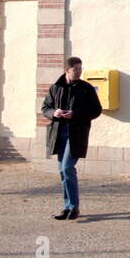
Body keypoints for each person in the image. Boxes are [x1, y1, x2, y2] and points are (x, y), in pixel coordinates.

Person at [41, 57, 102, 220]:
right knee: (62, 170)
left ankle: (74, 207)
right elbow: (45, 107)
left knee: (67, 167)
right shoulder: (55, 87)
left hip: (76, 133)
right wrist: (53, 113)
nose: (79, 72)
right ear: (67, 70)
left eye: (80, 69)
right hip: (59, 132)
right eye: (76, 69)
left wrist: (75, 114)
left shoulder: (86, 88)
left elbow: (96, 110)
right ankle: (67, 207)